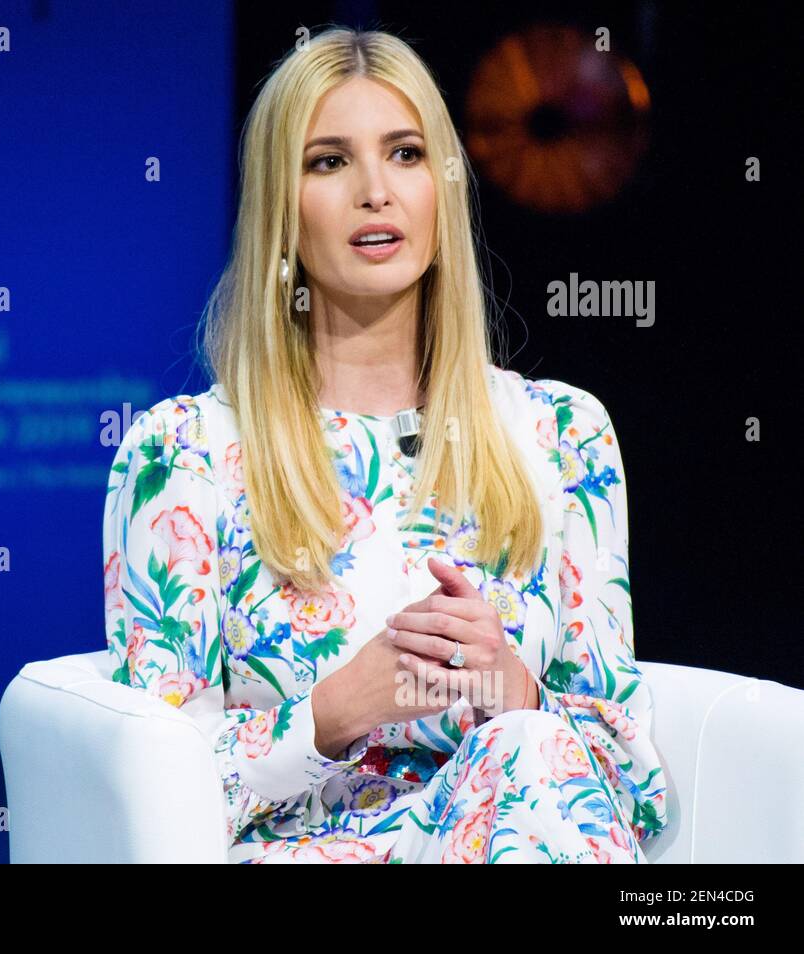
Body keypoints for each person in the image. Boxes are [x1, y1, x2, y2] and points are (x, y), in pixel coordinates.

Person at [101, 26, 667, 863]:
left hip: (522, 824)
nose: (376, 190)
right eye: (329, 161)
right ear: (279, 210)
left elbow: (636, 788)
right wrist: (336, 710)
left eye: (405, 154)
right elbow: (142, 793)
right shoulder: (180, 455)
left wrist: (509, 689)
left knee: (531, 751)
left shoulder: (560, 436)